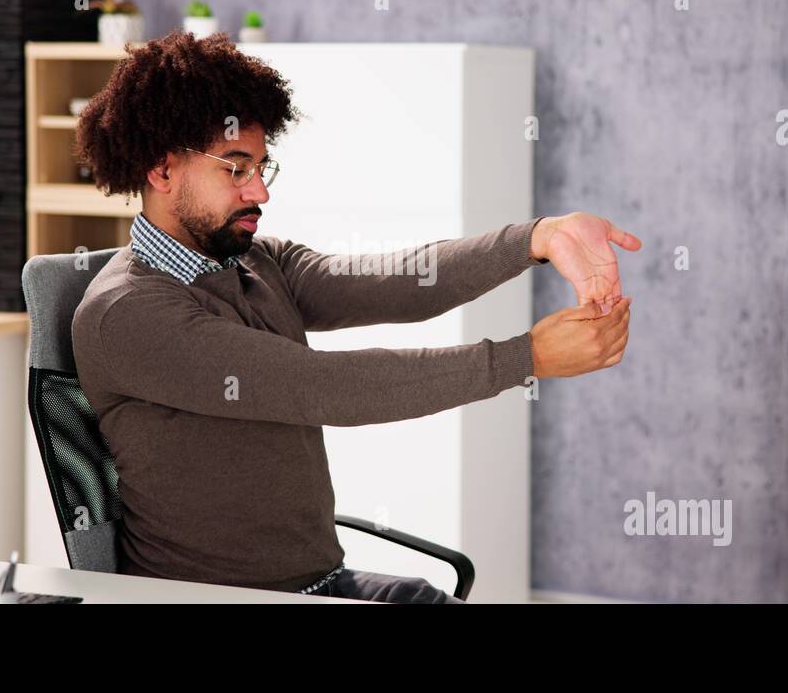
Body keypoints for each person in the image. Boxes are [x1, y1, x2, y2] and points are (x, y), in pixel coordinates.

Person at [71, 30, 640, 603]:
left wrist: (539, 237)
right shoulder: (128, 313)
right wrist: (526, 358)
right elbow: (323, 386)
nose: (260, 193)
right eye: (236, 169)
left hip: (316, 584)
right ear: (162, 171)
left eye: (263, 169)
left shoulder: (255, 262)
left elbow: (398, 282)